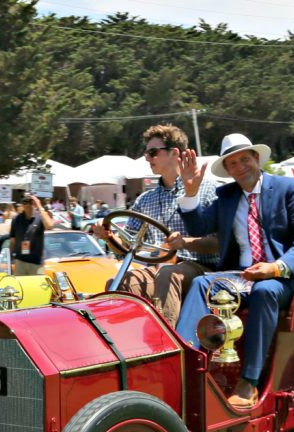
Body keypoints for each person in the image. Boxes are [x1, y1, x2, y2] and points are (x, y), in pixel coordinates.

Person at [172, 133, 294, 408]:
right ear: (227, 170)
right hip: (240, 276)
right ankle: (182, 365)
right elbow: (198, 227)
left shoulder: (289, 188)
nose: (240, 167)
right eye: (232, 163)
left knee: (265, 289)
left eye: (244, 159)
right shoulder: (226, 196)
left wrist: (275, 267)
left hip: (284, 275)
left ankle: (249, 382)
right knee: (203, 284)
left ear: (257, 159)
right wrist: (190, 192)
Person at [93, 123, 219, 326]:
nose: (147, 158)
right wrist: (108, 236)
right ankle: (127, 348)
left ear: (174, 153)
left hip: (202, 267)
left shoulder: (206, 189)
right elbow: (128, 248)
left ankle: (166, 346)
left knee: (168, 275)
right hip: (160, 269)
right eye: (147, 153)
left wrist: (185, 243)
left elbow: (218, 243)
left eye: (153, 152)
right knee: (117, 284)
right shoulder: (145, 199)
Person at [9, 194, 54, 275]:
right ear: (22, 204)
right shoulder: (16, 219)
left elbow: (50, 226)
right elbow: (12, 241)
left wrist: (39, 206)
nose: (28, 204)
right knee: (20, 286)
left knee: (36, 286)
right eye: (25, 202)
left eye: (31, 202)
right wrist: (10, 259)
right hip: (20, 262)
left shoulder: (40, 217)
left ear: (34, 203)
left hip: (36, 263)